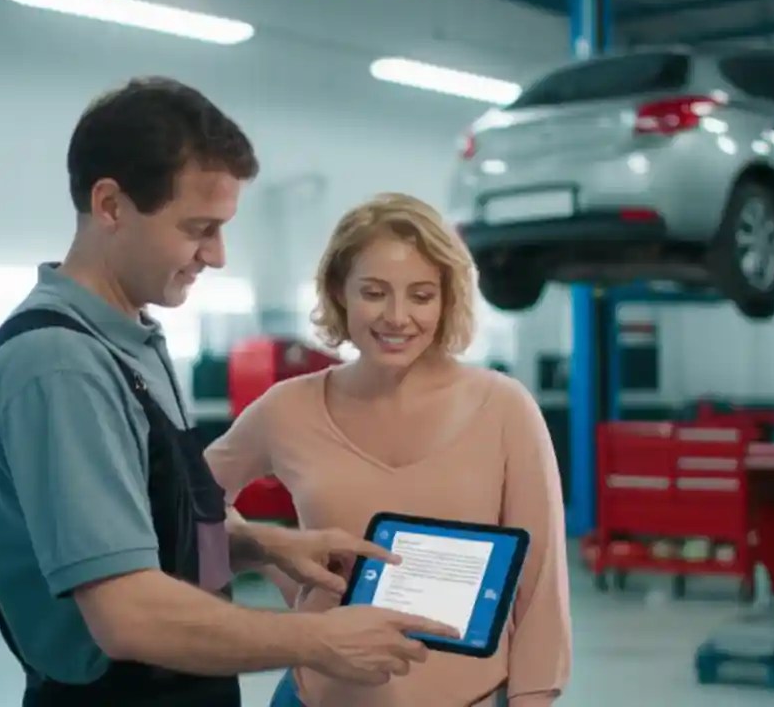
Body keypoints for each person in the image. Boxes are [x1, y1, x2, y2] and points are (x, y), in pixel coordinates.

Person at [0, 78, 458, 707]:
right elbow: (128, 612)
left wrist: (264, 545)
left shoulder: (129, 342)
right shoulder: (62, 366)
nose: (218, 255)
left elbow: (148, 525)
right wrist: (317, 640)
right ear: (111, 206)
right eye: (199, 228)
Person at [205, 192, 573, 707]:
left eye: (421, 295)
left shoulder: (504, 408)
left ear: (447, 299)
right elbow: (189, 499)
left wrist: (531, 698)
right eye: (375, 292)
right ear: (340, 291)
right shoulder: (288, 409)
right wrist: (272, 558)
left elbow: (541, 584)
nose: (397, 317)